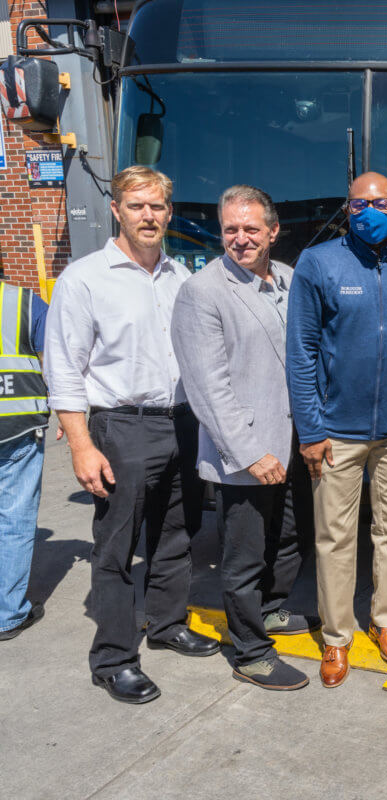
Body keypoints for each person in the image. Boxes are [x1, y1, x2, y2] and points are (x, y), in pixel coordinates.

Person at [44, 166, 220, 704]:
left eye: (157, 206)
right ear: (116, 210)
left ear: (169, 212)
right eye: (137, 206)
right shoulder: (85, 278)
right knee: (116, 546)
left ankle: (166, 625)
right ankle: (114, 658)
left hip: (182, 422)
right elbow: (63, 368)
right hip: (122, 426)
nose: (148, 216)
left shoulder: (180, 277)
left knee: (177, 534)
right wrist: (81, 444)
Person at [286, 172, 387, 688]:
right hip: (335, 432)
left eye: (380, 203)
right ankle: (336, 635)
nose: (368, 211)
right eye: (357, 204)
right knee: (334, 536)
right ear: (346, 209)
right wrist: (310, 429)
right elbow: (301, 351)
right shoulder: (318, 262)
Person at [171, 185, 317, 692]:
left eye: (251, 229)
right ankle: (251, 651)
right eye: (230, 229)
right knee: (244, 555)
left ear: (273, 232)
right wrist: (250, 454)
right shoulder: (202, 292)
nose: (240, 239)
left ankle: (270, 609)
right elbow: (207, 388)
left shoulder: (290, 280)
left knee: (290, 539)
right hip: (246, 451)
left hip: (293, 441)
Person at [0, 279, 50, 642]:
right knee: (14, 520)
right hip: (17, 425)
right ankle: (7, 614)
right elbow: (55, 360)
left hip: (18, 425)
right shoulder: (24, 303)